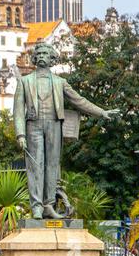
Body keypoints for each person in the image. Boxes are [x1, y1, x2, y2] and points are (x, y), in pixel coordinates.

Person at [13, 42, 119, 219]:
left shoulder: (60, 82)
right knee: (35, 166)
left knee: (53, 166)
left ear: (52, 58)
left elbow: (79, 101)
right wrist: (20, 134)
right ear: (33, 58)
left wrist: (102, 112)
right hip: (33, 125)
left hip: (54, 125)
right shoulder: (24, 81)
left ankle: (49, 205)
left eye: (45, 53)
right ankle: (37, 206)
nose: (41, 56)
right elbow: (17, 111)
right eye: (38, 53)